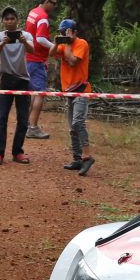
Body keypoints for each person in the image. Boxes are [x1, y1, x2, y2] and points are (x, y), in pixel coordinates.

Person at [0, 6, 34, 165]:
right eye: (6, 19)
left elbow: (32, 50)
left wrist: (23, 42)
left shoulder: (26, 35)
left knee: (23, 118)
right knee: (1, 117)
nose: (9, 21)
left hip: (22, 80)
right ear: (2, 21)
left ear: (17, 20)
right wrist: (3, 43)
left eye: (12, 18)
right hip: (6, 79)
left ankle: (17, 152)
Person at [50, 17, 93, 175]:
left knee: (78, 123)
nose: (65, 35)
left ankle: (87, 157)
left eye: (67, 32)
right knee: (71, 128)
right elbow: (51, 54)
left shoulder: (81, 43)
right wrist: (56, 42)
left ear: (75, 32)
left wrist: (67, 42)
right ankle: (77, 158)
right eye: (62, 33)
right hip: (69, 90)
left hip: (81, 89)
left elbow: (73, 61)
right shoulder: (63, 44)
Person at [24, 0, 57, 140]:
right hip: (37, 59)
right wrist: (54, 48)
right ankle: (33, 127)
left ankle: (26, 125)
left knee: (33, 92)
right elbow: (41, 39)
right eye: (54, 3)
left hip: (29, 57)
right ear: (47, 2)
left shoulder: (33, 12)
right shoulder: (43, 17)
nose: (55, 6)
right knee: (40, 93)